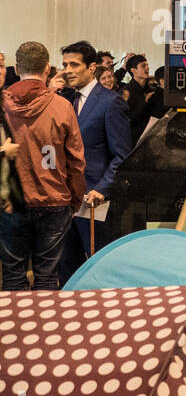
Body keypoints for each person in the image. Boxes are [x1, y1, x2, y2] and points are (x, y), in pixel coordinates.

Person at [0, 42, 86, 290]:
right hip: (54, 201)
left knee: (13, 275)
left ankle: (15, 327)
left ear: (17, 68)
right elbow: (76, 161)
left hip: (11, 202)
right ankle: (44, 327)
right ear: (47, 69)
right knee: (48, 276)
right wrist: (75, 199)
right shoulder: (63, 107)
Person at [57, 40, 130, 269]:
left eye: (74, 65)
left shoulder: (110, 102)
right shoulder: (63, 99)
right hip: (65, 200)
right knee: (67, 266)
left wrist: (102, 188)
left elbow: (122, 154)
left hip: (95, 201)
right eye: (65, 65)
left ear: (91, 67)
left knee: (98, 266)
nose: (68, 71)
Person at [121, 54, 152, 142]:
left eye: (147, 65)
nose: (147, 68)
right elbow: (126, 119)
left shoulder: (151, 89)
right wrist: (144, 102)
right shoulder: (126, 92)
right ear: (133, 70)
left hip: (150, 138)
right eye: (143, 66)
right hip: (133, 139)